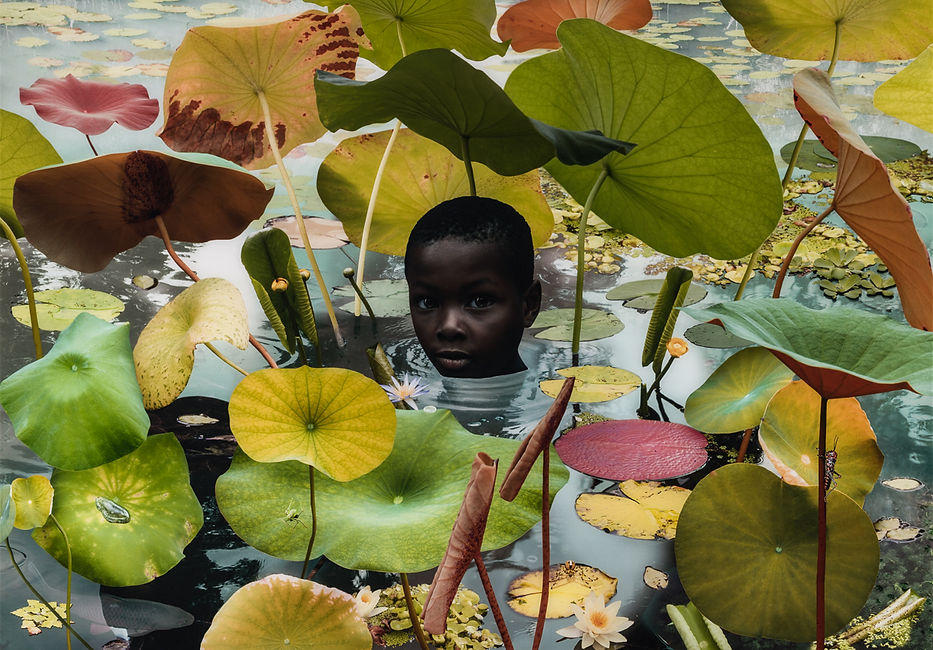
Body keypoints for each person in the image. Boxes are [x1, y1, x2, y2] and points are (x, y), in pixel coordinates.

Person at [404, 196, 542, 379]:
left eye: (480, 302)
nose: (449, 327)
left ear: (529, 306)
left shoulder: (565, 401)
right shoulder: (392, 399)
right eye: (427, 302)